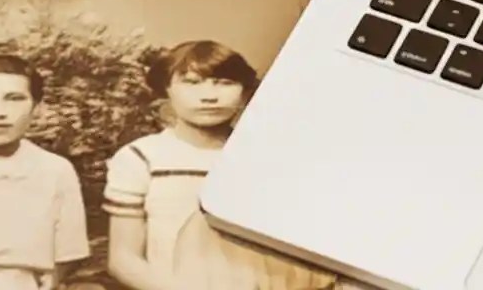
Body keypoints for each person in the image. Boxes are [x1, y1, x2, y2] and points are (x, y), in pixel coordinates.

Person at [103, 40, 335, 290]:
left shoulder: (266, 159)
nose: (209, 96)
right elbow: (123, 259)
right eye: (191, 83)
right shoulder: (142, 157)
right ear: (166, 89)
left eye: (224, 83)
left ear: (245, 91)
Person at [0, 53, 90, 290]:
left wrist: (54, 276)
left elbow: (69, 252)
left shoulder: (54, 170)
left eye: (14, 98)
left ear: (37, 108)